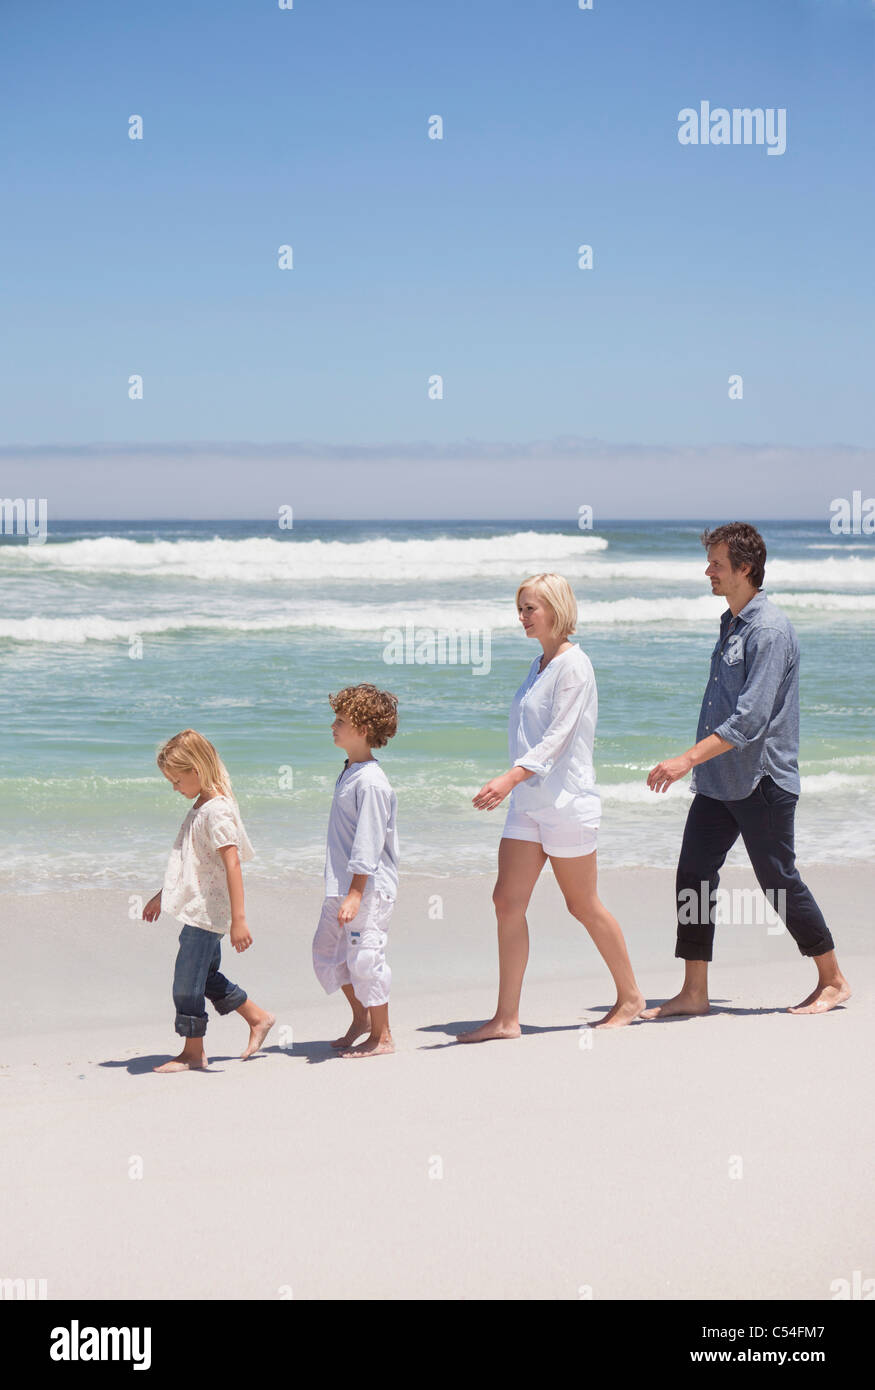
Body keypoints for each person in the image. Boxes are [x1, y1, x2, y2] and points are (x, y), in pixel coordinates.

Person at [644, 522, 851, 1017]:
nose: (708, 570)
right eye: (710, 561)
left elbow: (751, 720)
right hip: (719, 783)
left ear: (745, 568)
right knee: (694, 875)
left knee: (778, 880)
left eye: (717, 563)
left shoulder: (769, 630)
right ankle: (694, 991)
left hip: (762, 780)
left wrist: (684, 760)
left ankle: (833, 979)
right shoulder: (731, 622)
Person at [460, 572, 645, 1040]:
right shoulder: (539, 664)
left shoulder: (574, 666)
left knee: (581, 904)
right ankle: (506, 1018)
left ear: (556, 610)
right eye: (520, 608)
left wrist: (509, 777)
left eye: (530, 608)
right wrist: (517, 785)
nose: (522, 616)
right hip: (527, 805)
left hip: (567, 803)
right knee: (506, 901)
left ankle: (630, 997)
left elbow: (557, 739)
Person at [143, 728, 275, 1071]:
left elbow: (232, 863)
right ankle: (257, 1017)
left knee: (187, 980)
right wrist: (163, 895)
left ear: (197, 771)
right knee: (204, 975)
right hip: (198, 907)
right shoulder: (203, 800)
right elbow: (193, 862)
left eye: (176, 780)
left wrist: (239, 920)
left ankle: (193, 1051)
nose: (174, 788)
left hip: (207, 912)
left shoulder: (215, 810)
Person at [312, 684, 400, 1058]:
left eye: (341, 720)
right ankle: (361, 1017)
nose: (333, 725)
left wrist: (356, 892)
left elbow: (369, 843)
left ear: (363, 730)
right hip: (342, 885)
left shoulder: (372, 783)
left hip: (366, 889)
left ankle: (383, 1036)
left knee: (365, 959)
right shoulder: (350, 770)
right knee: (326, 953)